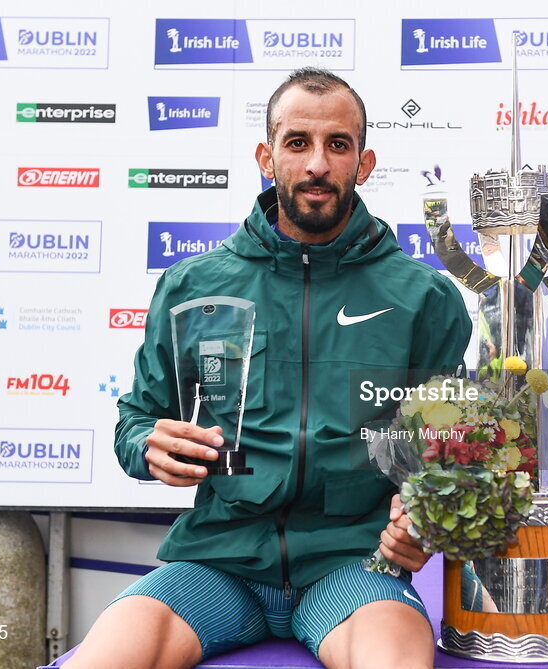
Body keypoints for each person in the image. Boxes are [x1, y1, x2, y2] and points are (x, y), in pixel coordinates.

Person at [64, 68, 472, 669]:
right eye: (297, 142)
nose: (316, 165)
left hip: (351, 565)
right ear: (266, 155)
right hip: (216, 562)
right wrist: (147, 444)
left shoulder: (423, 297)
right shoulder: (194, 286)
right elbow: (138, 420)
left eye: (338, 145)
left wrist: (425, 512)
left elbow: (450, 448)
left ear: (364, 163)